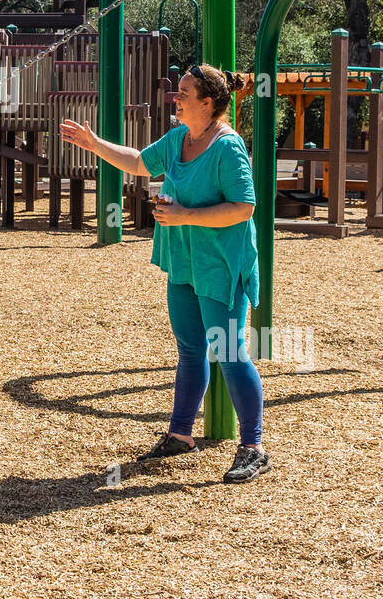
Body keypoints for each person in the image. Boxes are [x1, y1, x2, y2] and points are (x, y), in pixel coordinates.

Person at [60, 63, 270, 484]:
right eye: (178, 91)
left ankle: (253, 446)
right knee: (191, 350)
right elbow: (140, 162)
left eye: (185, 93)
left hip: (222, 266)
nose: (176, 97)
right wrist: (93, 142)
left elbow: (244, 207)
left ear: (208, 103)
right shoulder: (179, 138)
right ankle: (180, 434)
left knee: (230, 353)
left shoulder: (228, 148)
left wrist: (185, 215)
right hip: (185, 264)